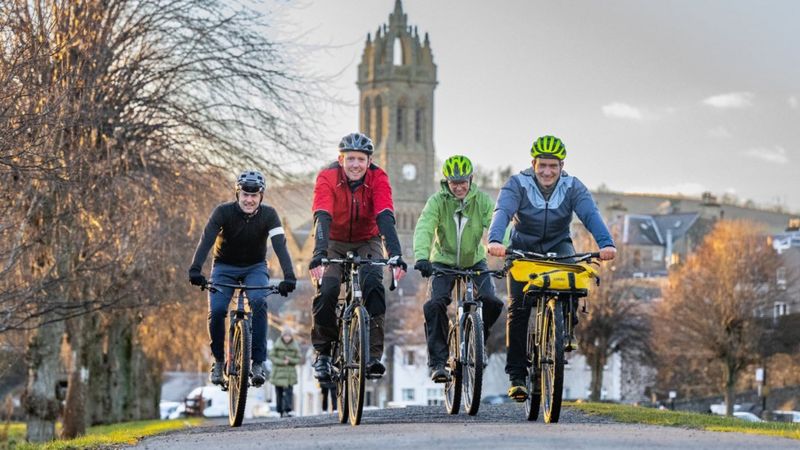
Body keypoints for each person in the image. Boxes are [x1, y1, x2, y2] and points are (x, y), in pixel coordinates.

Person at [487, 135, 616, 401]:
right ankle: (517, 377)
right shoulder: (517, 184)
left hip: (559, 245)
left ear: (561, 166)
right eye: (542, 165)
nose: (547, 171)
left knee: (573, 282)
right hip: (523, 248)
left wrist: (606, 244)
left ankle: (564, 330)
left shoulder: (572, 187)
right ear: (533, 163)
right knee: (518, 308)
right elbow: (502, 211)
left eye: (553, 166)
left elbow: (590, 214)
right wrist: (495, 240)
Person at [308, 132, 407, 381]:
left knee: (373, 284)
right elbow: (322, 216)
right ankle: (323, 353)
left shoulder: (379, 177)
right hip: (332, 239)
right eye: (350, 159)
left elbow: (385, 215)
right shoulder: (327, 177)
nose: (355, 165)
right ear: (340, 159)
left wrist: (395, 254)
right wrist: (319, 253)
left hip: (367, 239)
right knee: (328, 289)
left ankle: (372, 356)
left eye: (360, 160)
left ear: (369, 160)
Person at [188, 170, 297, 387]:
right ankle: (219, 361)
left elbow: (279, 245)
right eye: (245, 195)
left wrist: (290, 276)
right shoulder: (223, 212)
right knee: (218, 310)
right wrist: (195, 269)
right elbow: (207, 239)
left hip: (255, 267)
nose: (249, 199)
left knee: (259, 301)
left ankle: (257, 363)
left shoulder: (270, 215)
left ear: (261, 196)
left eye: (254, 195)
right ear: (237, 194)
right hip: (224, 267)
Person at [412, 155, 504, 382]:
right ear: (447, 182)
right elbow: (425, 227)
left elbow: (497, 224)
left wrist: (505, 247)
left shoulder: (481, 200)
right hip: (443, 261)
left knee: (493, 302)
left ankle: (478, 337)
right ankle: (438, 362)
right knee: (434, 304)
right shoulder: (437, 201)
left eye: (463, 182)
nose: (460, 187)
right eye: (454, 183)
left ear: (471, 179)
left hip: (475, 261)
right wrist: (422, 256)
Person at [269, 328, 301, 417]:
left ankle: (288, 409)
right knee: (278, 392)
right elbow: (272, 356)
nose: (287, 338)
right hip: (278, 373)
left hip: (289, 374)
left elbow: (298, 359)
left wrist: (290, 360)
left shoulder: (295, 346)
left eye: (289, 336)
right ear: (282, 336)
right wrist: (282, 362)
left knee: (289, 392)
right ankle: (279, 410)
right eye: (285, 336)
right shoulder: (277, 345)